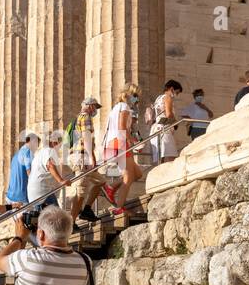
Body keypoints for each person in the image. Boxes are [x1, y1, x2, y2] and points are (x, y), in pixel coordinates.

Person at [101, 84, 142, 215]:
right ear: (128, 95)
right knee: (128, 178)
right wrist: (133, 141)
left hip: (114, 143)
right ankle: (119, 207)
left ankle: (111, 187)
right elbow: (122, 127)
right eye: (135, 95)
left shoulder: (115, 108)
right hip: (120, 143)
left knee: (138, 173)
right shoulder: (124, 107)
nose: (137, 98)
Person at [69, 97, 106, 222]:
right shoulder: (86, 117)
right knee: (80, 192)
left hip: (79, 156)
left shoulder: (78, 118)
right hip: (82, 158)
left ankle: (87, 210)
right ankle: (71, 221)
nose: (95, 110)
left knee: (101, 181)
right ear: (90, 106)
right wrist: (91, 158)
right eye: (95, 106)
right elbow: (87, 138)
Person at [28, 128, 70, 208]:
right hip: (43, 193)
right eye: (59, 144)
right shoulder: (49, 151)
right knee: (57, 217)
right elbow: (50, 165)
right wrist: (61, 181)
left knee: (47, 218)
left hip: (36, 193)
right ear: (55, 143)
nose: (60, 146)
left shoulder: (40, 152)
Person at [149, 79, 183, 164]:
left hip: (156, 129)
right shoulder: (167, 97)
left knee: (161, 159)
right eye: (177, 92)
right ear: (172, 89)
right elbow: (168, 114)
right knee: (171, 158)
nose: (176, 95)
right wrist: (175, 123)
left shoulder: (158, 98)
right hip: (164, 129)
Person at [5, 131, 39, 205]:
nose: (36, 148)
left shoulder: (16, 155)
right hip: (21, 196)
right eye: (37, 145)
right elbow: (29, 172)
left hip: (10, 195)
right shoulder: (28, 152)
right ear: (32, 141)